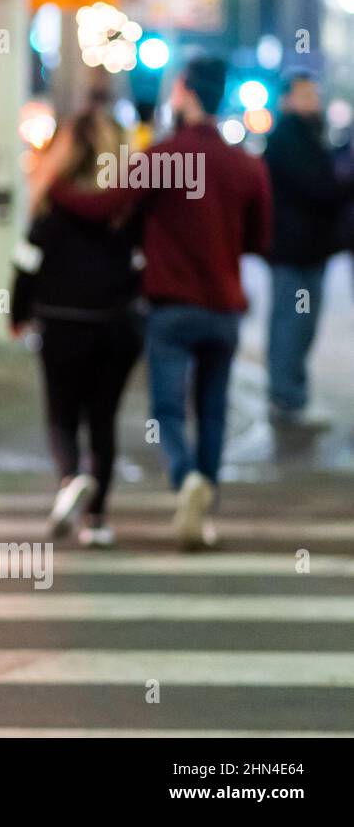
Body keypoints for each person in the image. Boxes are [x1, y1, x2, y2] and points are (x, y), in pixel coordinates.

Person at [49, 56, 272, 550]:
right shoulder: (247, 165)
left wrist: (55, 186)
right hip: (225, 307)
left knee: (168, 407)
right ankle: (204, 500)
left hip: (172, 305)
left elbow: (105, 205)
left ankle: (184, 474)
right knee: (212, 408)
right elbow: (261, 240)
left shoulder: (167, 158)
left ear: (186, 92)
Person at [15, 105, 144, 548]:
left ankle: (71, 478)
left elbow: (27, 262)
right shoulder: (126, 210)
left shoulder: (51, 207)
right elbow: (142, 264)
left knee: (62, 415)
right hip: (116, 325)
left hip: (62, 321)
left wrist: (16, 312)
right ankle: (98, 520)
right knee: (104, 420)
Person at [263, 72, 349, 424]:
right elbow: (318, 185)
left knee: (302, 323)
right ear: (286, 100)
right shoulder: (289, 136)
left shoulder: (309, 134)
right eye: (303, 94)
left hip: (307, 249)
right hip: (293, 249)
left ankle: (290, 394)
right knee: (292, 323)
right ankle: (286, 397)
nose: (312, 100)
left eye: (314, 93)